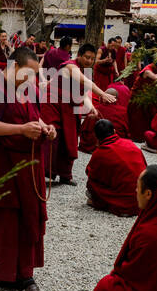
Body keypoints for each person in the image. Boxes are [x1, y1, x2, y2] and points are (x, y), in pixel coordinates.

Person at [0, 46, 55, 291]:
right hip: (2, 164)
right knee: (6, 217)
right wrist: (21, 129)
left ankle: (25, 273)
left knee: (28, 216)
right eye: (29, 73)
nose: (33, 79)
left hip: (29, 164)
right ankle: (4, 273)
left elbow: (34, 118)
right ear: (14, 66)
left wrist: (45, 128)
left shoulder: (26, 90)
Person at [40, 41, 117, 185]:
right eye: (87, 57)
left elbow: (83, 94)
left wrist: (91, 107)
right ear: (79, 55)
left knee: (70, 137)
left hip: (69, 105)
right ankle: (43, 172)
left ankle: (65, 175)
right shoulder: (70, 65)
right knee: (52, 136)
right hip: (53, 103)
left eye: (92, 59)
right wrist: (101, 94)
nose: (89, 61)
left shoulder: (83, 69)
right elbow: (86, 82)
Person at [85, 119, 147, 217]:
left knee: (91, 183)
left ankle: (115, 204)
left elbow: (89, 172)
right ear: (114, 131)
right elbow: (145, 167)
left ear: (96, 137)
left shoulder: (99, 153)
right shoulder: (130, 144)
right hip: (143, 200)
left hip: (123, 203)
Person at [79, 79, 133, 152]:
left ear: (103, 97)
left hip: (95, 142)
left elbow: (84, 128)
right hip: (115, 141)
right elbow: (127, 129)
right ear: (117, 99)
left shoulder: (96, 109)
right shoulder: (123, 111)